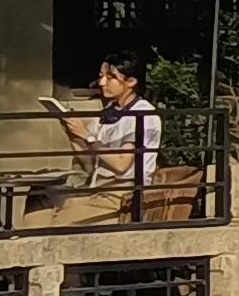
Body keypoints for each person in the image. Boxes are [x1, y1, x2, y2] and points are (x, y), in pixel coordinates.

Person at [58, 58, 165, 213]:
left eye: (110, 77)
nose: (101, 83)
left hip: (123, 196)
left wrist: (88, 136)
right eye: (101, 76)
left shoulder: (143, 115)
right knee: (38, 206)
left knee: (55, 220)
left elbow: (121, 165)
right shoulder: (109, 113)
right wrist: (74, 134)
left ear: (131, 82)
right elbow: (89, 165)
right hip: (97, 190)